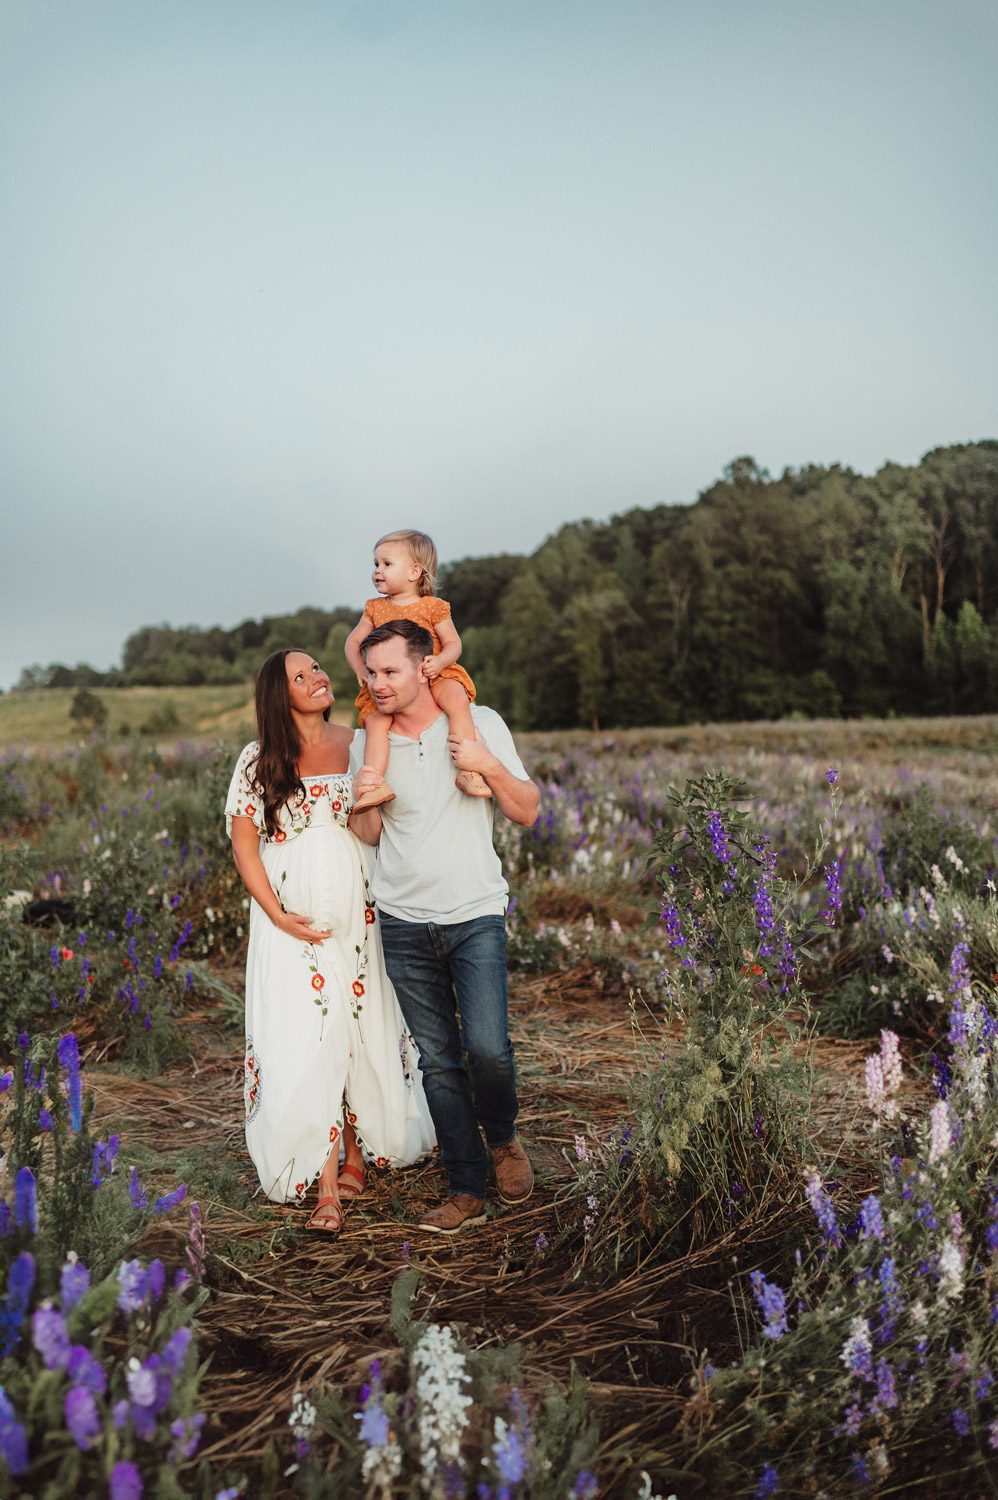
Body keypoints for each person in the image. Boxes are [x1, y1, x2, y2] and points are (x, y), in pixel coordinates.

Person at [225, 648, 435, 1233]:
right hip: (289, 921)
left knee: (358, 1024)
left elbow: (371, 830)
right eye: (301, 675)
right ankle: (323, 1183)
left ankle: (356, 1155)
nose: (318, 678)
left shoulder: (361, 742)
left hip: (359, 910)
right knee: (309, 1033)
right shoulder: (257, 759)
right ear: (280, 694)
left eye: (317, 668)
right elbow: (245, 848)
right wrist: (278, 914)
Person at [349, 619, 540, 1234]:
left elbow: (527, 810)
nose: (376, 683)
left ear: (424, 665)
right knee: (438, 1061)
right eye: (370, 672)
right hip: (403, 921)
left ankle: (503, 1139)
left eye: (389, 671)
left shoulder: (479, 723)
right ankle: (465, 1186)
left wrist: (487, 764)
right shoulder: (369, 742)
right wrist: (365, 796)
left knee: (487, 1050)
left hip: (473, 913)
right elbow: (368, 835)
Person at [344, 529, 492, 811]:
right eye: (376, 564)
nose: (377, 570)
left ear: (414, 572)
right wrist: (361, 669)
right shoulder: (374, 608)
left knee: (457, 700)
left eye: (387, 564)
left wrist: (440, 661)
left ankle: (468, 770)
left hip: (434, 671)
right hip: (395, 682)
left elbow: (454, 643)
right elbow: (352, 642)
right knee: (375, 723)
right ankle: (374, 785)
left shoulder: (433, 607)